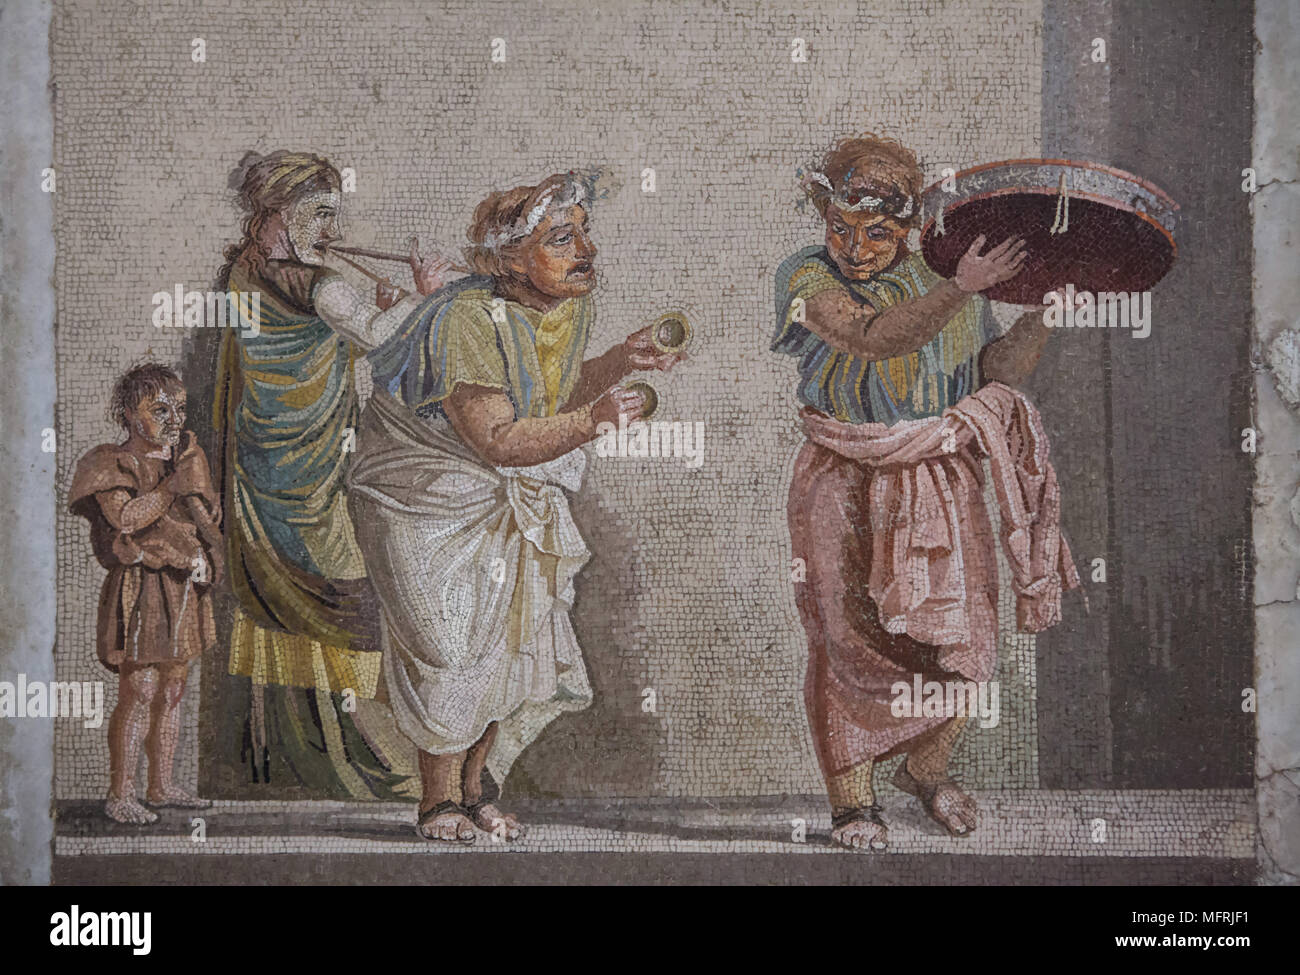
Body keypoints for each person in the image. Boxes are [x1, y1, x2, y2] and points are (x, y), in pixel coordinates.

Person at [346, 172, 681, 842]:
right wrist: (595, 421)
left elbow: (538, 402)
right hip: (423, 493)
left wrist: (617, 360)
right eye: (562, 237)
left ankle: (472, 793)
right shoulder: (467, 317)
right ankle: (436, 802)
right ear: (509, 261)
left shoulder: (563, 306)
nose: (585, 249)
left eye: (584, 233)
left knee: (500, 643)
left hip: (488, 485)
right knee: (448, 643)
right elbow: (498, 437)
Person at [773, 135, 1079, 850]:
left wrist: (1043, 310)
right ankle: (852, 801)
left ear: (909, 229)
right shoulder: (806, 278)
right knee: (851, 637)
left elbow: (997, 369)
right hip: (843, 475)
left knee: (961, 638)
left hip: (942, 474)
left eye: (876, 231)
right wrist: (961, 287)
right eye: (839, 228)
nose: (854, 246)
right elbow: (873, 338)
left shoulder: (947, 276)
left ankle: (926, 767)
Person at [212, 150, 443, 798]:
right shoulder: (309, 282)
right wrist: (422, 301)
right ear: (279, 212)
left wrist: (383, 312)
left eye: (333, 217)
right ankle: (355, 753)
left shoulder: (246, 271)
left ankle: (315, 751)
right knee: (356, 596)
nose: (333, 232)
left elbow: (332, 339)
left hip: (270, 471)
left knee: (341, 596)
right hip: (301, 482)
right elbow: (376, 336)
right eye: (320, 215)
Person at [69, 364, 220, 824]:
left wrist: (193, 490)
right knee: (139, 689)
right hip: (140, 585)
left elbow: (209, 524)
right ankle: (121, 792)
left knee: (173, 689)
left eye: (179, 407)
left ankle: (161, 784)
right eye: (160, 409)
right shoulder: (109, 462)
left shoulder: (185, 459)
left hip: (183, 586)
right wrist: (171, 487)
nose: (173, 417)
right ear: (132, 417)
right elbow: (127, 518)